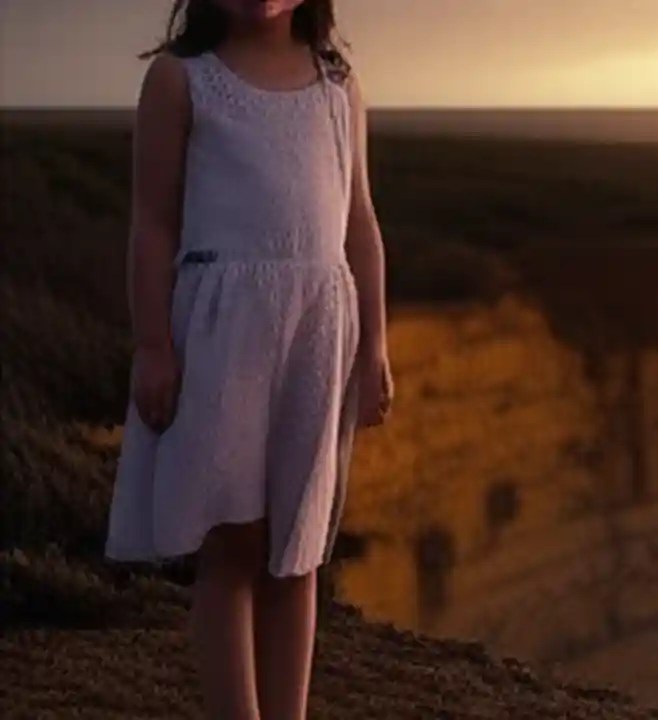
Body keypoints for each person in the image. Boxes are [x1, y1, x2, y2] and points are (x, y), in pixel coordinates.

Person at [103, 1, 393, 718]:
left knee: (296, 550)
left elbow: (360, 221)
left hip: (317, 332)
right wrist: (152, 345)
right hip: (222, 333)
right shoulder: (181, 79)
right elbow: (152, 222)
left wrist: (376, 348)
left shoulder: (338, 87)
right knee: (231, 542)